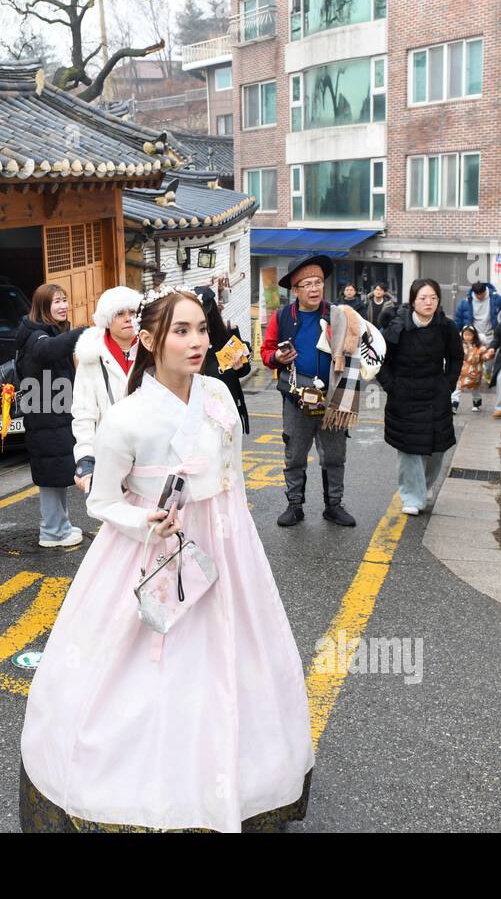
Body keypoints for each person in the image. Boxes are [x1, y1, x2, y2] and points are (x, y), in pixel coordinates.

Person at [18, 284, 314, 832]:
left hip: (225, 546)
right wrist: (143, 520)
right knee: (141, 671)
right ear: (151, 339)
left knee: (234, 659)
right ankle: (142, 789)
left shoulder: (220, 396)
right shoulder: (126, 418)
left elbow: (232, 479)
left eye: (201, 329)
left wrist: (239, 538)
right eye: (181, 330)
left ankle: (238, 780)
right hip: (150, 553)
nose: (197, 341)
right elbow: (103, 501)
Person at [259, 254, 360, 528]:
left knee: (335, 455)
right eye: (307, 284)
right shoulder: (282, 317)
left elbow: (357, 345)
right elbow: (266, 350)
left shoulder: (338, 315)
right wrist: (276, 359)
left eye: (318, 282)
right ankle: (294, 505)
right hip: (295, 396)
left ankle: (334, 505)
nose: (315, 289)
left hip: (332, 396)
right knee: (295, 454)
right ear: (295, 290)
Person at [378, 279, 463, 516]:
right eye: (423, 298)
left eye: (433, 298)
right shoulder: (398, 326)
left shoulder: (446, 327)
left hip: (436, 393)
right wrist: (390, 386)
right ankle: (412, 497)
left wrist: (448, 384)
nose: (428, 302)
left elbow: (457, 357)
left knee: (437, 449)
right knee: (410, 450)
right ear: (413, 300)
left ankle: (424, 486)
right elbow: (381, 359)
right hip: (404, 395)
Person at [14, 284, 89, 547]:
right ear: (43, 307)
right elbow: (50, 351)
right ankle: (52, 532)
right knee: (50, 474)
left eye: (65, 300)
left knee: (57, 472)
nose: (63, 305)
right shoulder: (37, 338)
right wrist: (83, 332)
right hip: (45, 416)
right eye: (56, 301)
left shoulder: (43, 332)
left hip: (51, 415)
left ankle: (60, 526)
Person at [71, 286, 141, 494]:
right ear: (107, 320)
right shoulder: (91, 357)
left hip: (151, 454)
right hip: (110, 454)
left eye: (132, 312)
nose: (128, 318)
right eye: (120, 314)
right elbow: (83, 411)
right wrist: (85, 456)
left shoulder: (152, 350)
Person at [194, 284, 252, 434]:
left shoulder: (228, 331)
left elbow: (245, 368)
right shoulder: (190, 338)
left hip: (227, 402)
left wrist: (240, 367)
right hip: (198, 403)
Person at [453, 325, 494, 413]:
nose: (467, 337)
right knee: (457, 388)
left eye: (469, 335)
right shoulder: (459, 346)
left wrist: (488, 355)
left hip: (474, 372)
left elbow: (484, 356)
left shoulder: (479, 348)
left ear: (474, 336)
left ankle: (477, 403)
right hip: (462, 372)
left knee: (475, 389)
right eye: (465, 335)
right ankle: (454, 405)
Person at [454, 280, 501, 349]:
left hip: (491, 337)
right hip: (473, 339)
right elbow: (458, 321)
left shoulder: (497, 300)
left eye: (482, 294)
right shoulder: (464, 303)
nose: (479, 296)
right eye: (477, 295)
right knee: (474, 358)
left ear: (485, 290)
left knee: (490, 358)